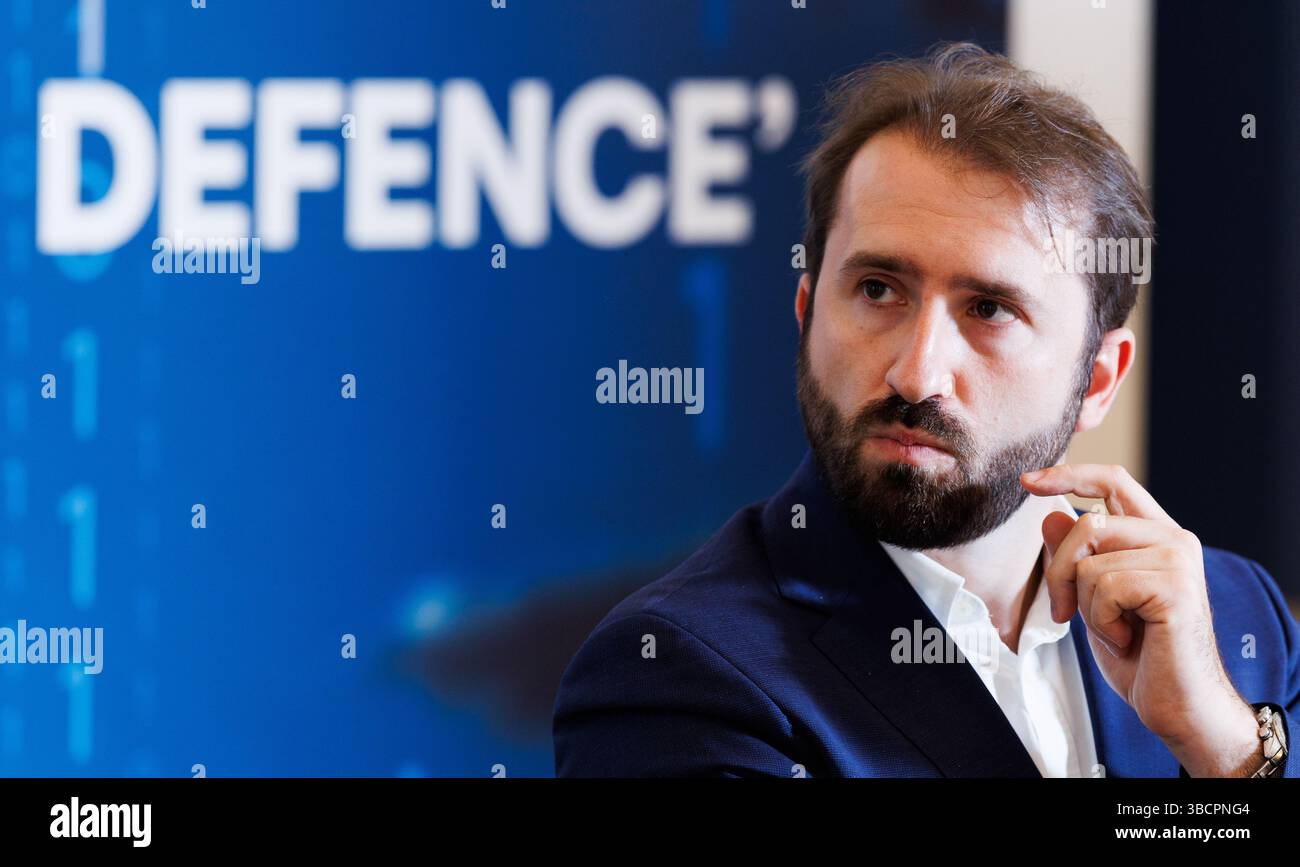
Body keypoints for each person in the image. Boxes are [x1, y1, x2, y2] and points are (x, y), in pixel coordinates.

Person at [552, 42, 1295, 778]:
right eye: (878, 289)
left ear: (1098, 379)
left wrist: (1228, 755)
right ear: (807, 313)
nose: (916, 374)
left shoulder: (1236, 620)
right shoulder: (674, 676)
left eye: (989, 308)